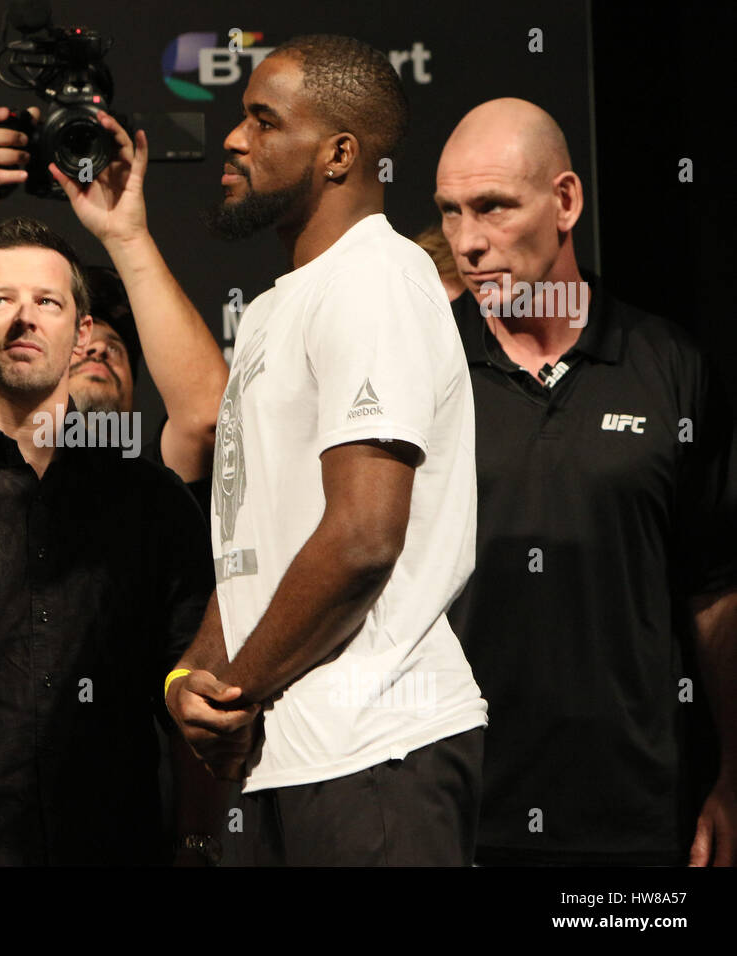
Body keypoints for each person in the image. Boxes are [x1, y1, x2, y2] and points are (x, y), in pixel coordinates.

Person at [152, 34, 489, 865]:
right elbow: (256, 549)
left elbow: (362, 536)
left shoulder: (375, 277)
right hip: (289, 756)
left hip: (379, 747)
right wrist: (190, 677)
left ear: (340, 154)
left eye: (264, 122)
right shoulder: (274, 309)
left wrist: (234, 694)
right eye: (239, 119)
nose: (233, 139)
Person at [435, 97, 737, 866]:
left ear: (565, 201)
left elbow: (714, 590)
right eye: (451, 213)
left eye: (494, 208)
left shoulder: (665, 367)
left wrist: (732, 776)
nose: (468, 243)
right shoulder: (423, 369)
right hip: (459, 817)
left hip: (634, 820)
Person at [0, 216, 220, 865]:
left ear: (80, 335)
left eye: (47, 302)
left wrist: (199, 843)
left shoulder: (151, 502)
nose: (25, 319)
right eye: (0, 301)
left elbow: (195, 696)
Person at [0, 107, 227, 492]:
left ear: (78, 337)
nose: (97, 353)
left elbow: (208, 419)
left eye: (114, 350)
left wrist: (128, 238)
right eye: (1, 301)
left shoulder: (152, 494)